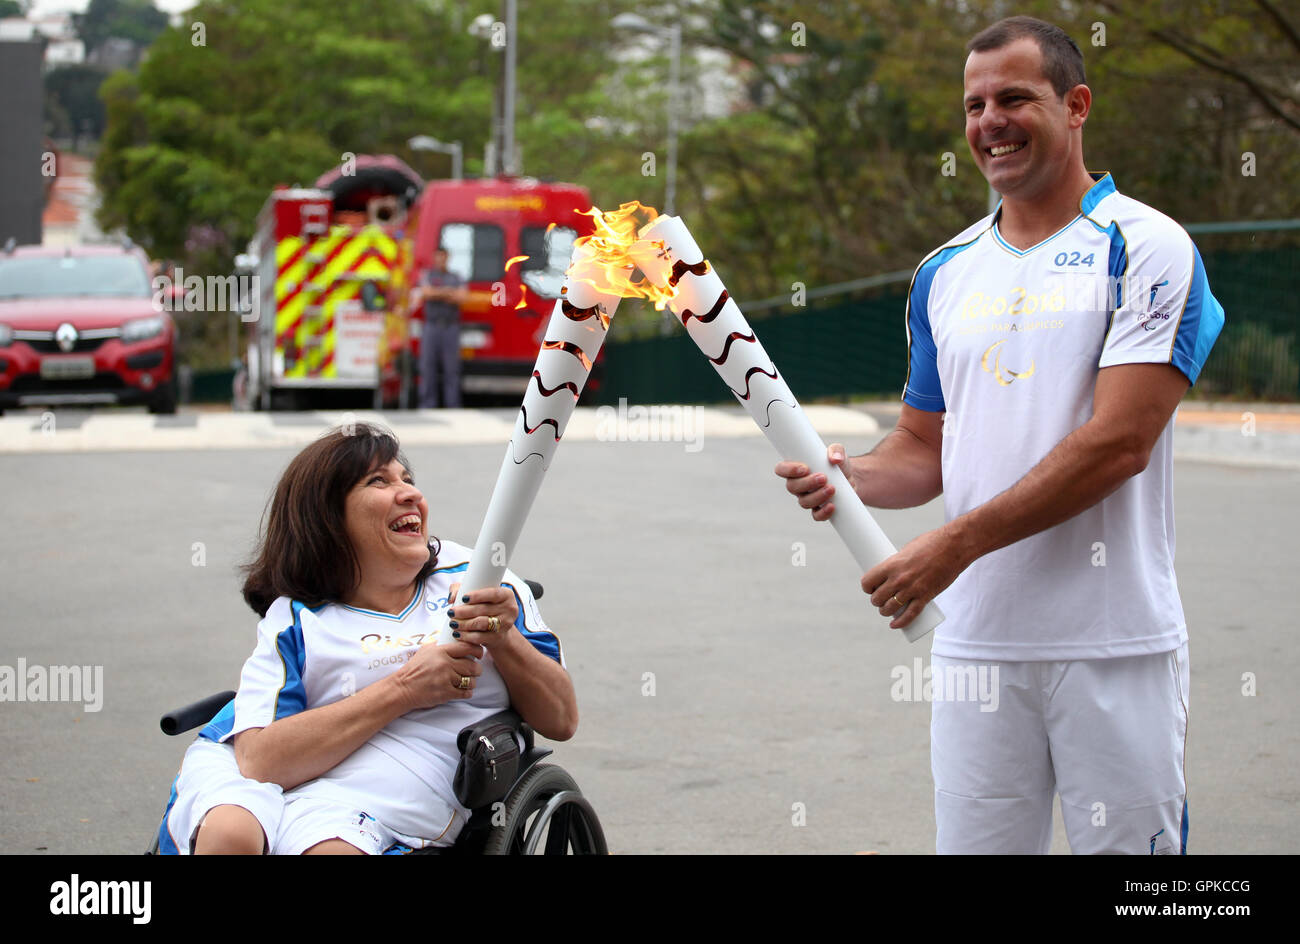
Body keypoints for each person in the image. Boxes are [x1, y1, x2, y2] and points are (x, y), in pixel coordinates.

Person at [777, 16, 1223, 854]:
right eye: (974, 106)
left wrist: (955, 544)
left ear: (1076, 104)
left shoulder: (1149, 246)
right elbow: (924, 447)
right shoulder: (944, 272)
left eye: (1014, 98)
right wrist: (852, 480)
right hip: (977, 649)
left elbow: (1121, 443)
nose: (990, 122)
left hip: (1114, 642)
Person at [156, 422, 576, 854]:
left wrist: (503, 638)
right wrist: (407, 687)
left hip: (380, 795)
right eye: (379, 481)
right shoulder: (298, 617)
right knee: (231, 834)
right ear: (328, 517)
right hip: (278, 766)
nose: (410, 493)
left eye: (408, 480)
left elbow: (561, 719)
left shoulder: (482, 579)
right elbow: (260, 763)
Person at [414, 248, 469, 408]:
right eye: (438, 257)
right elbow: (425, 293)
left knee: (451, 368)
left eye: (443, 257)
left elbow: (462, 297)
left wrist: (437, 293)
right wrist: (448, 292)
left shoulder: (455, 276)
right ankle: (427, 404)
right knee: (427, 367)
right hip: (431, 326)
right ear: (434, 258)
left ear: (447, 258)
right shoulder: (428, 275)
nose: (441, 260)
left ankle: (452, 405)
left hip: (450, 327)